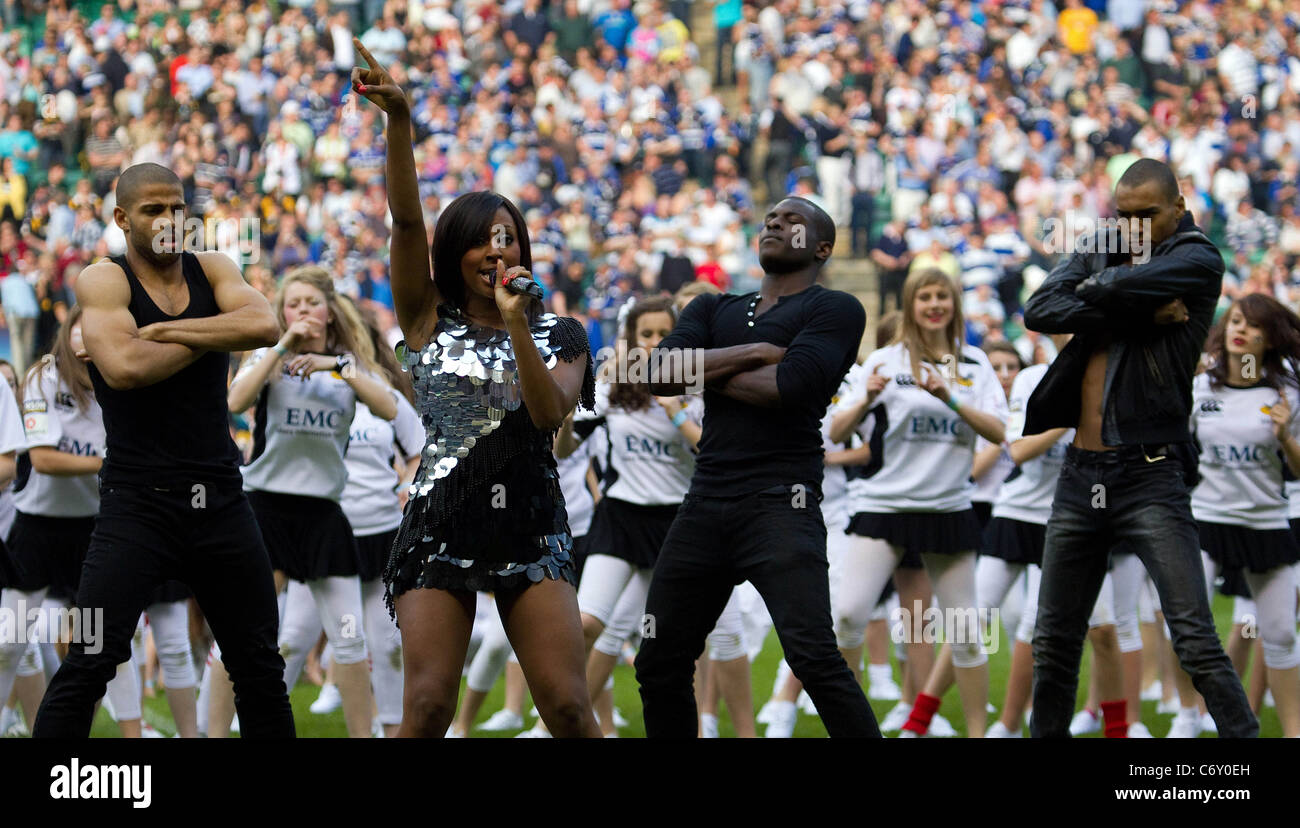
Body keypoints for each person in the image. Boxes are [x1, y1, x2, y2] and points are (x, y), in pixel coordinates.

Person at [355, 41, 602, 738]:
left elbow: (550, 417)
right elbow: (406, 221)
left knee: (567, 706)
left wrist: (520, 323)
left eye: (509, 238)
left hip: (532, 521)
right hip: (440, 520)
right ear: (455, 249)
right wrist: (399, 120)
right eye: (481, 239)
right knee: (428, 705)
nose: (497, 250)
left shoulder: (564, 332)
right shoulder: (426, 317)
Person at [32, 162, 294, 738]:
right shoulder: (104, 280)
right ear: (122, 218)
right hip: (136, 504)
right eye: (153, 209)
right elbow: (125, 369)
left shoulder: (215, 266)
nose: (170, 219)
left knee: (258, 668)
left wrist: (172, 331)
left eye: (178, 207)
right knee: (89, 661)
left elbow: (265, 323)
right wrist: (215, 330)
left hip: (221, 500)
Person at [1021, 158, 1257, 738]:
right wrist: (1136, 310)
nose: (1132, 227)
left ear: (1178, 207)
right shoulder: (1104, 243)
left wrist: (1099, 290)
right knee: (1052, 643)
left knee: (1195, 639)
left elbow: (1089, 294)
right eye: (1122, 215)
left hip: (1150, 472)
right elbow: (1037, 310)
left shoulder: (1198, 257)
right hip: (1080, 474)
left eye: (1146, 215)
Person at [631, 195, 879, 738]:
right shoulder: (710, 307)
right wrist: (758, 352)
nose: (774, 222)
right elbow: (654, 374)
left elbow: (787, 388)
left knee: (814, 658)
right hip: (705, 500)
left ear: (821, 247)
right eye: (770, 217)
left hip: (781, 501)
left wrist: (704, 369)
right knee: (657, 660)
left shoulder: (835, 308)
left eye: (792, 219)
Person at [830, 268, 1008, 738]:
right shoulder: (884, 362)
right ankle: (850, 726)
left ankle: (976, 732)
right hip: (884, 505)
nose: (934, 305)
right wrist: (866, 399)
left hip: (948, 510)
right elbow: (835, 432)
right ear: (910, 305)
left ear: (954, 304)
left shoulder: (974, 364)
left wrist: (950, 398)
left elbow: (1000, 432)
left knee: (967, 633)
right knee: (847, 615)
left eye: (942, 296)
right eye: (925, 296)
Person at [227, 268, 398, 738]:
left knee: (349, 637)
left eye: (311, 303)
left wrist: (338, 367)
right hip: (265, 512)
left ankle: (365, 735)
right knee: (244, 637)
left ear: (329, 311)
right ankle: (208, 731)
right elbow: (237, 400)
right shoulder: (266, 356)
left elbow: (389, 408)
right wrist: (281, 347)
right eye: (293, 304)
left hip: (323, 517)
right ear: (282, 313)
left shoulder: (347, 367)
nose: (302, 311)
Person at [1179, 295, 1300, 738]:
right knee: (1188, 628)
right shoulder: (1200, 389)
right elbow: (1177, 453)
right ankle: (1187, 718)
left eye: (1252, 326)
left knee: (1282, 634)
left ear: (1268, 339)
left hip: (1266, 522)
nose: (1240, 330)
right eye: (1234, 321)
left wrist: (1286, 437)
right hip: (1207, 518)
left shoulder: (1286, 393)